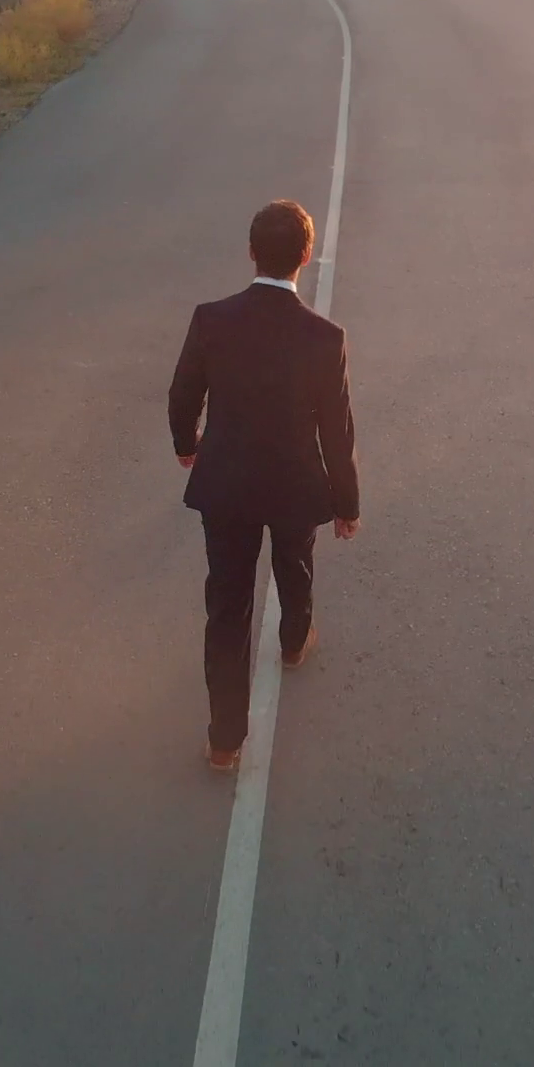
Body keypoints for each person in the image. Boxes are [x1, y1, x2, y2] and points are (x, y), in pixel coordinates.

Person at [168, 199, 361, 773]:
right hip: (295, 484)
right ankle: (295, 640)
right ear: (306, 256)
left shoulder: (211, 319)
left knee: (227, 606)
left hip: (226, 484)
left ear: (251, 252)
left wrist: (187, 444)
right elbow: (338, 432)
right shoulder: (325, 338)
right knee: (295, 564)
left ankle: (225, 740)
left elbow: (183, 394)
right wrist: (347, 505)